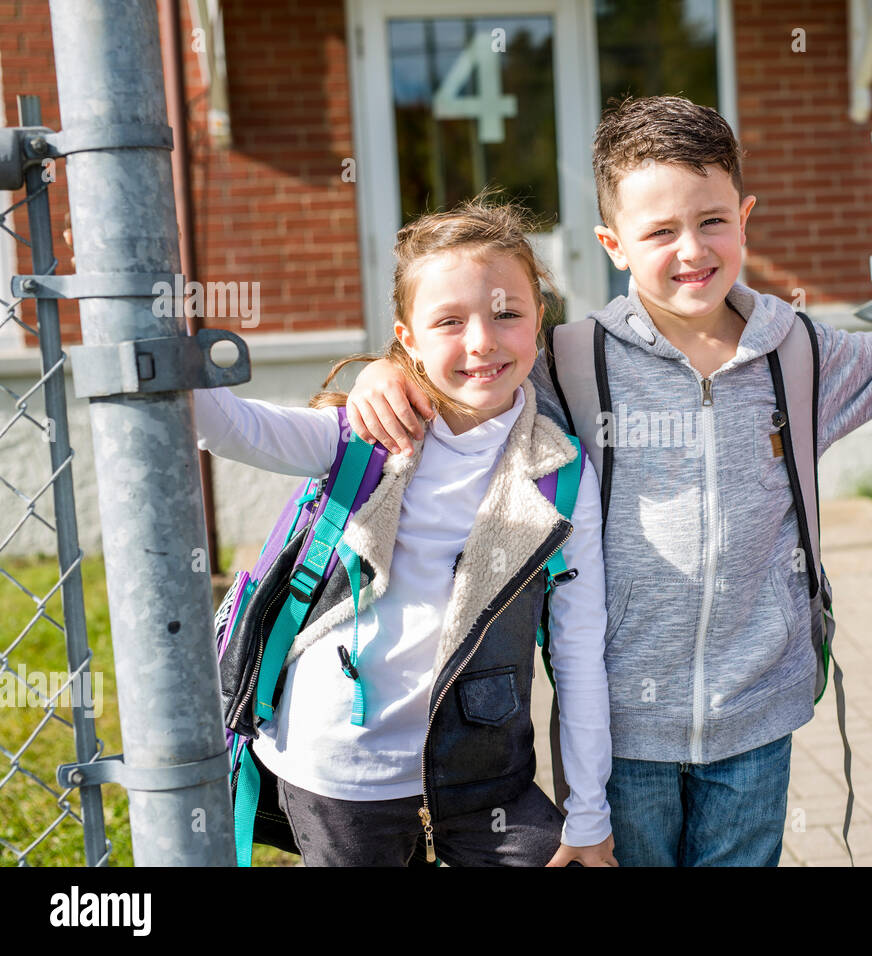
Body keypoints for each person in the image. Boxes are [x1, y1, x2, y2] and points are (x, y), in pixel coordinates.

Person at [345, 95, 872, 866]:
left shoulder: (800, 355)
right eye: (659, 232)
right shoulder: (570, 364)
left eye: (712, 221)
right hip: (617, 731)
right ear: (614, 244)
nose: (691, 250)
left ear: (744, 215)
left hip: (757, 720)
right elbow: (464, 381)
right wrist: (387, 367)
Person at [196, 200, 617, 867]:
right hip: (339, 773)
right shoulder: (360, 436)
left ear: (539, 322)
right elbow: (230, 428)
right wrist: (153, 308)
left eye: (507, 313)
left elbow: (578, 649)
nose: (482, 341)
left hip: (482, 779)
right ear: (407, 337)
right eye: (449, 321)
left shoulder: (561, 474)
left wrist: (589, 813)